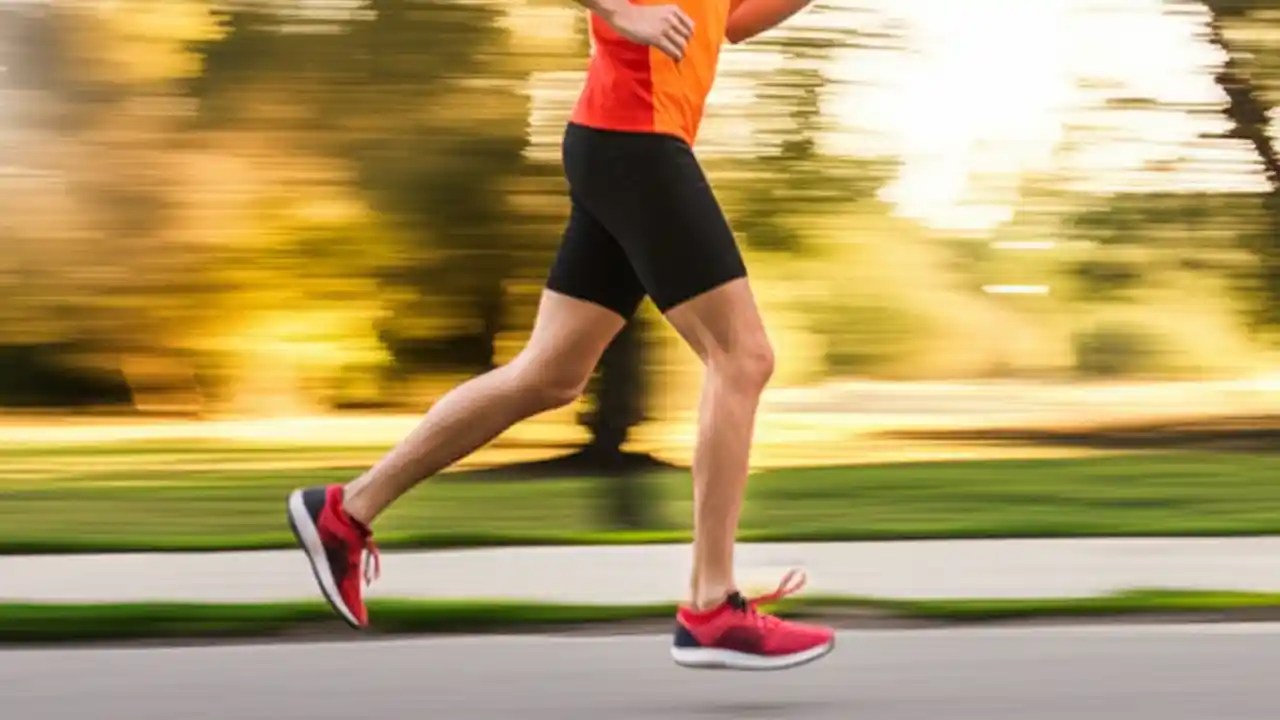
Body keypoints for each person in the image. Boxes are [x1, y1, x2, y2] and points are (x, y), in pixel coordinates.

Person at [286, 0, 833, 671]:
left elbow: (730, 21)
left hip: (622, 142)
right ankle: (711, 606)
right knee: (742, 357)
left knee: (549, 374)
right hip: (637, 141)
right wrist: (623, 14)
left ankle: (346, 511)